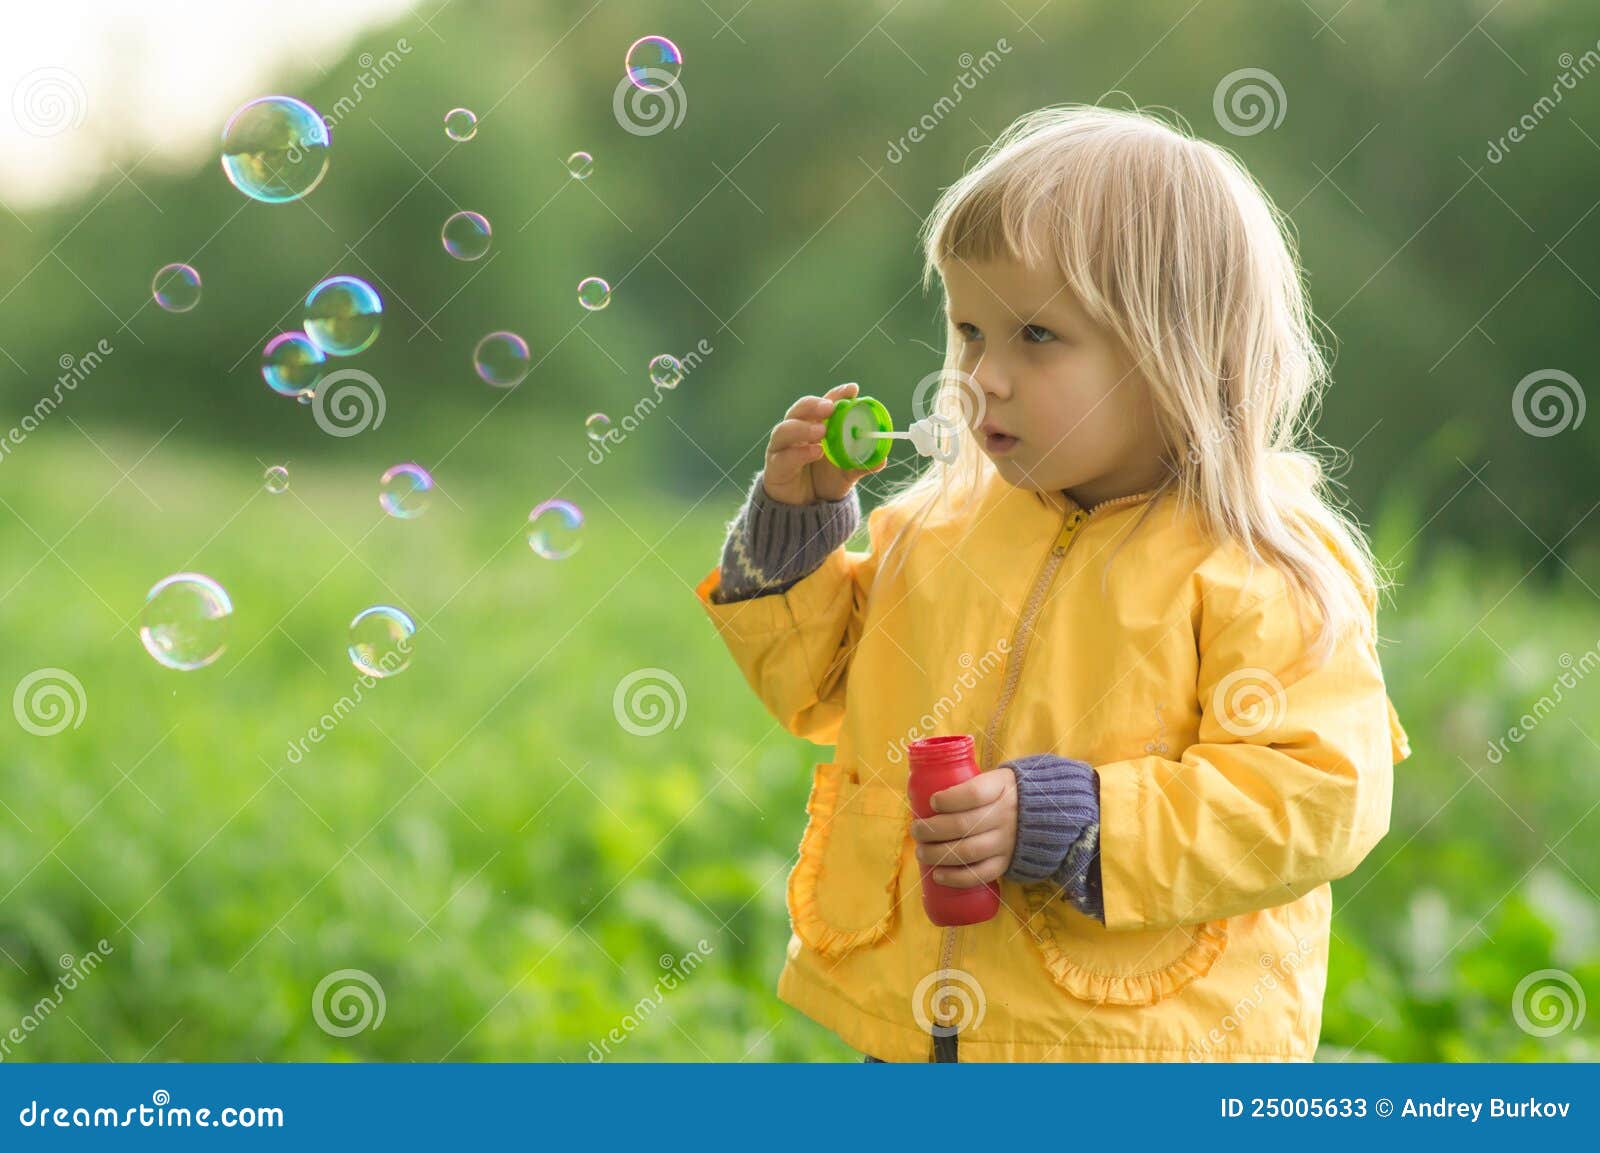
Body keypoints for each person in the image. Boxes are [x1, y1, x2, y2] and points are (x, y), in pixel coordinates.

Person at [694, 104, 1411, 1063]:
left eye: (1036, 334)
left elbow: (1315, 796)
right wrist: (792, 530)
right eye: (969, 330)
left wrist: (1078, 823)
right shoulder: (939, 527)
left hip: (1130, 1050)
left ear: (1175, 352)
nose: (983, 375)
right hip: (918, 1032)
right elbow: (818, 688)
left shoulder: (1256, 566)